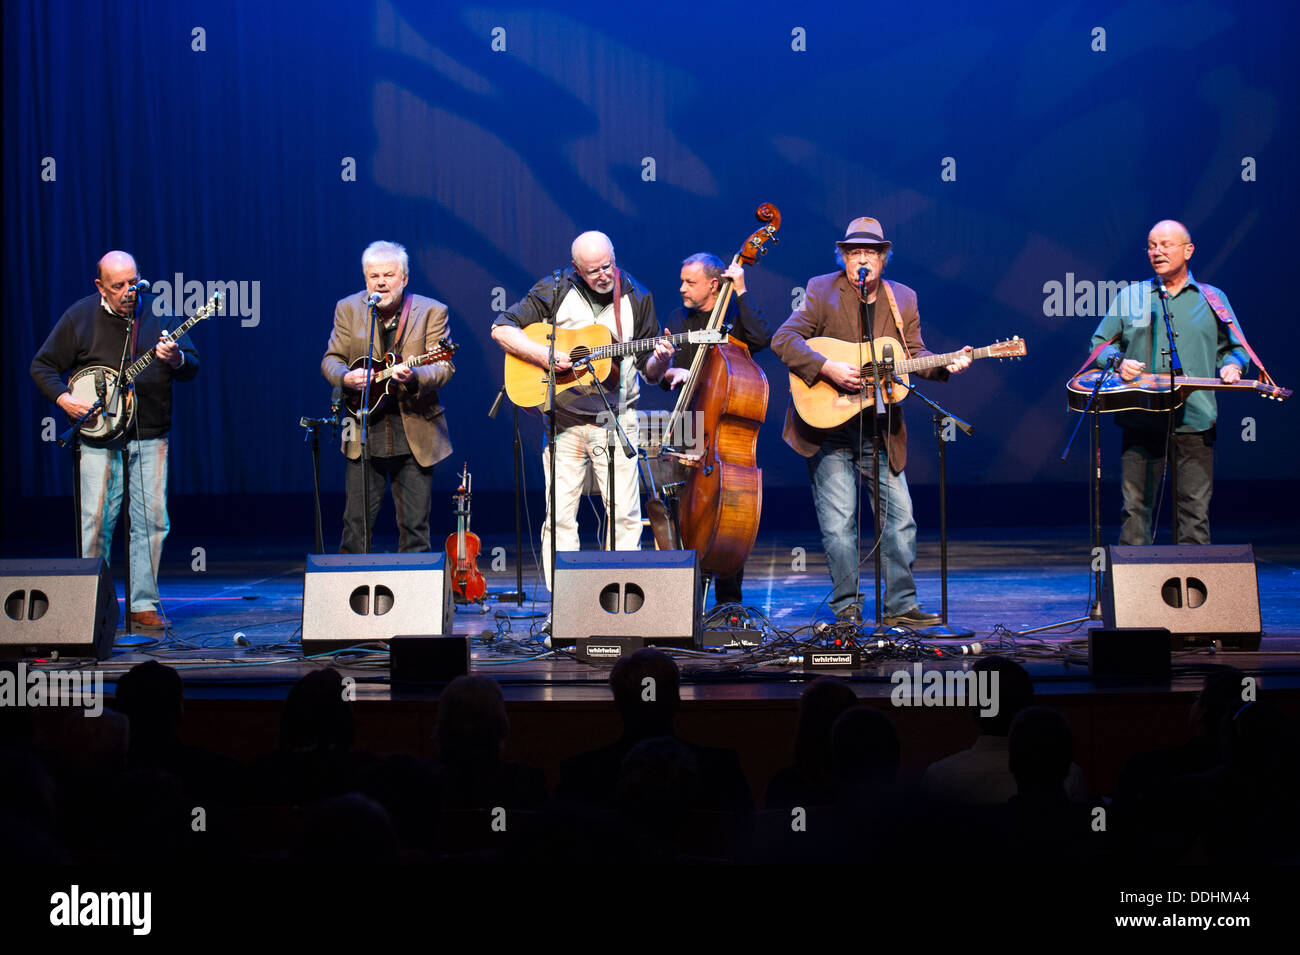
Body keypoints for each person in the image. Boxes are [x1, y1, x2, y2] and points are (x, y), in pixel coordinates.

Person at [771, 217, 970, 626]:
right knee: (840, 525)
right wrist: (826, 367)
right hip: (826, 427)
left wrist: (948, 363)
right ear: (844, 258)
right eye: (854, 253)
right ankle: (847, 609)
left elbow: (913, 355)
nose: (862, 259)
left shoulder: (904, 299)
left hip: (879, 429)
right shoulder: (820, 290)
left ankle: (901, 606)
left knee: (901, 519)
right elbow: (783, 340)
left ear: (883, 258)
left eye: (870, 253)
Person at [491, 231, 673, 588]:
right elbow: (501, 329)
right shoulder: (555, 289)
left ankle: (622, 598)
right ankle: (563, 604)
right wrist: (547, 357)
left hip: (617, 420)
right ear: (576, 268)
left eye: (607, 266)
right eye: (593, 271)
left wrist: (661, 360)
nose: (603, 275)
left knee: (625, 516)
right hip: (565, 422)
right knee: (559, 518)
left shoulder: (637, 296)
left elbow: (651, 375)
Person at [31, 251, 199, 631]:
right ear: (100, 286)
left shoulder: (158, 312)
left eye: (133, 283)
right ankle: (93, 602)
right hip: (98, 440)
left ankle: (143, 603)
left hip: (150, 435)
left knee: (152, 521)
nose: (128, 292)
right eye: (118, 285)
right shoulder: (80, 316)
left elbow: (192, 365)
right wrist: (64, 399)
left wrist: (175, 360)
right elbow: (42, 365)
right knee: (95, 522)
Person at [1088, 220, 1250, 545]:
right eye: (1151, 245)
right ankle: (1136, 594)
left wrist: (1233, 366)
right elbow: (1099, 346)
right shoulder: (1131, 296)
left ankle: (1191, 591)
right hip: (1141, 418)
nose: (1157, 251)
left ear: (1188, 250)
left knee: (1194, 513)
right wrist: (1119, 362)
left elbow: (1236, 349)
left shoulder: (1212, 298)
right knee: (1136, 512)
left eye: (1165, 244)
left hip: (1195, 421)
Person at [322, 241, 454, 553]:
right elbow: (331, 359)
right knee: (355, 526)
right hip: (364, 427)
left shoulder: (432, 310)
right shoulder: (349, 308)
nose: (381, 282)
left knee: (415, 528)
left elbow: (444, 367)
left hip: (415, 428)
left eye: (388, 275)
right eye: (373, 276)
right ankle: (350, 595)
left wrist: (416, 376)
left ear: (404, 278)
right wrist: (345, 377)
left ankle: (413, 598)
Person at [661, 252, 772, 606]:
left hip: (720, 431)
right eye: (681, 281)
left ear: (713, 284)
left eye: (689, 283)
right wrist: (670, 374)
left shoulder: (735, 314)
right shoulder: (679, 318)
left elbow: (761, 338)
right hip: (688, 421)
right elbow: (671, 369)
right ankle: (682, 602)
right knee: (682, 510)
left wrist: (741, 290)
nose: (681, 288)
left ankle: (728, 603)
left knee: (727, 504)